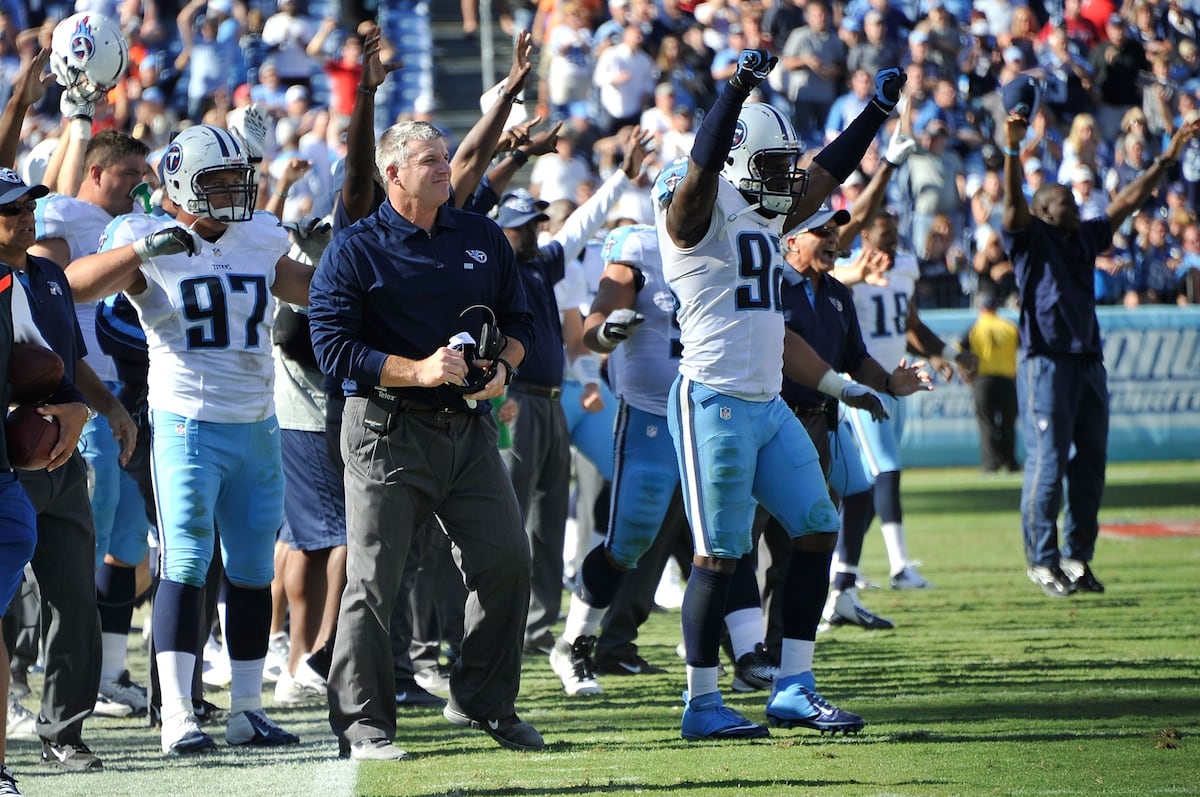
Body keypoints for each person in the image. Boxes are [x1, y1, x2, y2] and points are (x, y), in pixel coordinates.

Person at [655, 49, 905, 739]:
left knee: (818, 527)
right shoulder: (698, 209)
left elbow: (825, 171)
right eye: (769, 166)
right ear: (734, 164)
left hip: (768, 402)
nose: (785, 180)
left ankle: (795, 684)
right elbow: (701, 173)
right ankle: (702, 703)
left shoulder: (764, 214)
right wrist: (732, 91)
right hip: (712, 400)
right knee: (718, 554)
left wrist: (875, 114)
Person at [66, 123, 314, 755]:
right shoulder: (143, 235)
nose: (235, 193)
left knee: (254, 569)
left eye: (240, 180)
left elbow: (311, 292)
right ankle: (176, 711)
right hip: (186, 422)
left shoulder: (258, 236)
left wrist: (332, 260)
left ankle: (248, 709)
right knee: (185, 562)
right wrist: (146, 253)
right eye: (220, 182)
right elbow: (76, 284)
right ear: (180, 185)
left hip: (258, 422)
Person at [308, 119, 541, 760]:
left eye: (446, 158)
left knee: (506, 562)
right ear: (394, 174)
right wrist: (417, 370)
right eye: (431, 160)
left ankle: (482, 700)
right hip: (386, 431)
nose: (445, 168)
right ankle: (363, 726)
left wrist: (504, 369)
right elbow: (330, 348)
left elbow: (520, 319)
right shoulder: (354, 248)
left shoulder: (481, 235)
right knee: (375, 583)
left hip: (468, 431)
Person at [1000, 111, 1200, 597]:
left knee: (1090, 465)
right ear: (1044, 209)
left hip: (1088, 362)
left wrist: (1166, 160)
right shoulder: (1030, 238)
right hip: (1045, 361)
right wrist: (1010, 151)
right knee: (1047, 466)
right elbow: (1010, 209)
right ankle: (1041, 561)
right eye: (1063, 199)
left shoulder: (1083, 237)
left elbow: (1127, 201)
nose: (1073, 200)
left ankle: (1076, 558)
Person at [498, 128, 647, 657]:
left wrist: (619, 179)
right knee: (507, 518)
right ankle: (500, 626)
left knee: (546, 517)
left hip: (549, 397)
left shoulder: (541, 264)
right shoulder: (494, 269)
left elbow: (581, 228)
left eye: (537, 222)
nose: (535, 230)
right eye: (524, 225)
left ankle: (538, 627)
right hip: (510, 401)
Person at [30, 129, 152, 720]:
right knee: (83, 544)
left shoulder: (139, 224)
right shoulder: (63, 214)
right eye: (130, 173)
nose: (141, 184)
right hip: (77, 401)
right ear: (97, 173)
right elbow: (49, 306)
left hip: (118, 399)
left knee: (127, 542)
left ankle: (109, 672)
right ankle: (41, 672)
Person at [831, 209, 977, 594]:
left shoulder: (906, 268)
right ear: (864, 238)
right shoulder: (846, 273)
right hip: (861, 386)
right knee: (887, 470)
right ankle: (898, 566)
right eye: (885, 237)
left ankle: (843, 565)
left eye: (896, 236)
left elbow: (909, 325)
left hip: (895, 382)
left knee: (865, 483)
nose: (893, 244)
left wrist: (944, 352)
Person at [963, 291, 1019, 474]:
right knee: (1008, 422)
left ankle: (990, 464)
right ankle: (1010, 462)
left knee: (986, 422)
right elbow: (1024, 348)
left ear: (981, 308)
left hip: (983, 379)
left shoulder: (976, 327)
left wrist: (965, 372)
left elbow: (958, 350)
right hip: (1007, 379)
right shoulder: (1009, 326)